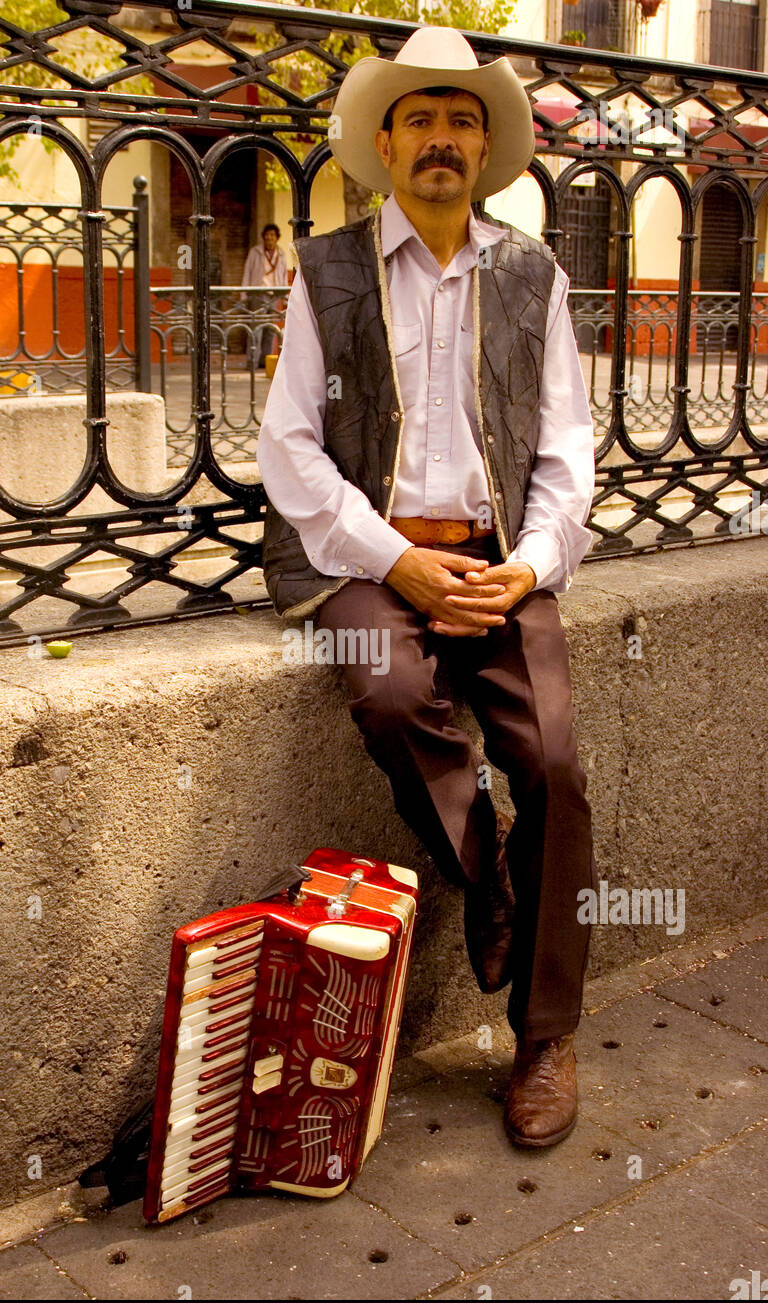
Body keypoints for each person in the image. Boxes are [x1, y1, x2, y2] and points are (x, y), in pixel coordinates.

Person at [257, 26, 600, 1150]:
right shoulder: (329, 270)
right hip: (367, 555)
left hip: (497, 556)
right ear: (388, 144)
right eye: (421, 119)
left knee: (551, 757)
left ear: (487, 144)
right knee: (393, 694)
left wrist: (529, 565)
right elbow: (290, 447)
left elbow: (564, 452)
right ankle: (487, 877)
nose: (441, 138)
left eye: (461, 119)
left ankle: (544, 1036)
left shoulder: (530, 273)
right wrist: (396, 559)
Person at [241, 224, 289, 367]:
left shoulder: (281, 254)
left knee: (270, 330)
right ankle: (252, 362)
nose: (269, 238)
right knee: (256, 329)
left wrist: (285, 297)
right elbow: (247, 273)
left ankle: (266, 362)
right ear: (263, 237)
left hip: (273, 295)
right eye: (267, 235)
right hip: (258, 294)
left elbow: (284, 276)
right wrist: (243, 295)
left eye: (272, 235)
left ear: (277, 238)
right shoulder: (255, 252)